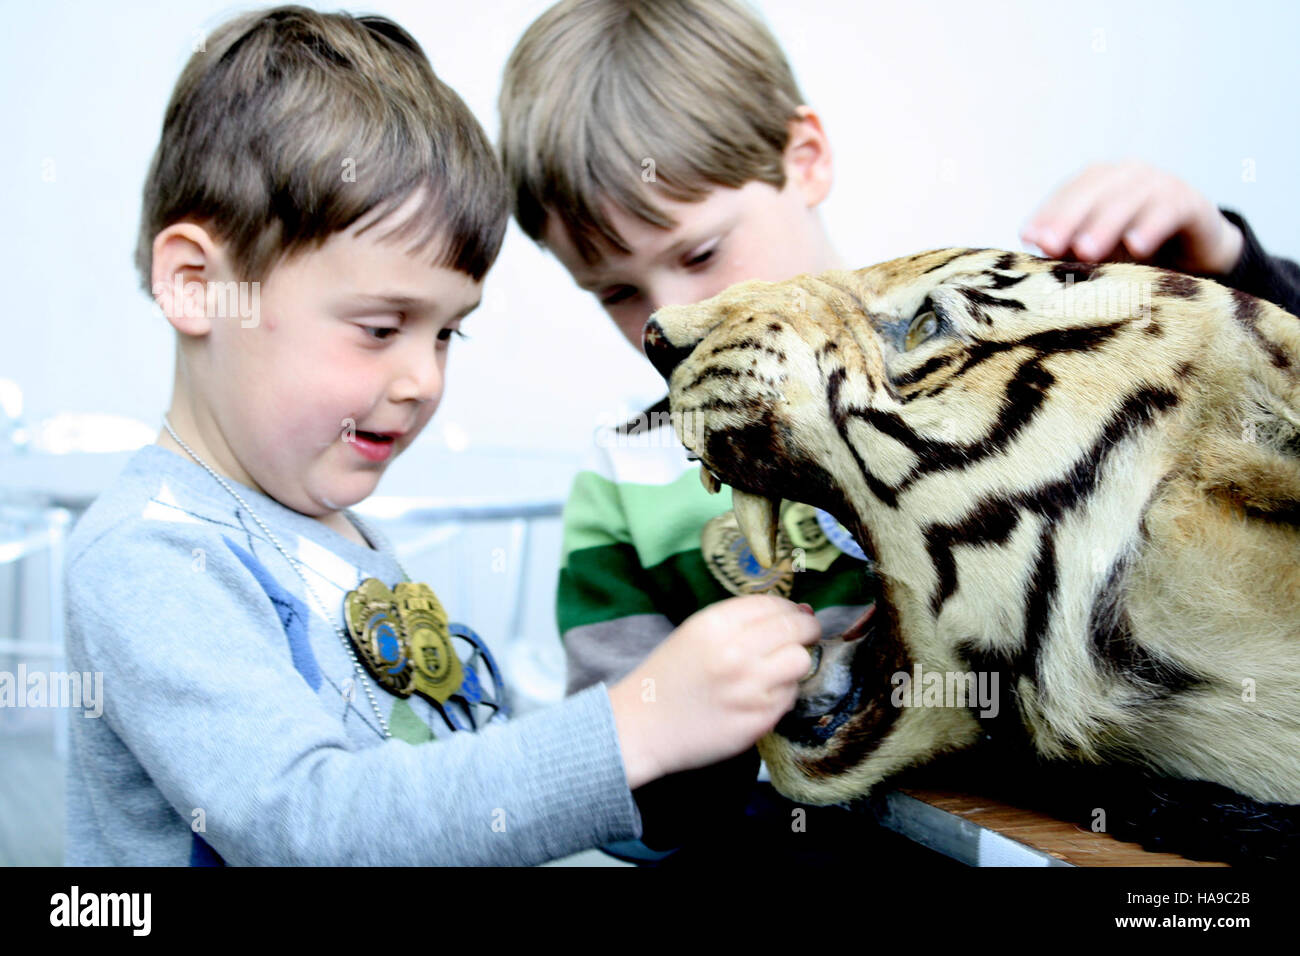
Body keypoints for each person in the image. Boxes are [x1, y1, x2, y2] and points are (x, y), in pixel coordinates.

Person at [498, 0, 1300, 864]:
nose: (673, 319)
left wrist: (1228, 264)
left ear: (804, 157)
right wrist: (683, 716)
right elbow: (626, 798)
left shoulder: (973, 337)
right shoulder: (619, 483)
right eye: (616, 293)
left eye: (699, 254)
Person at [63, 4, 823, 867]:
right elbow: (308, 828)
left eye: (446, 333)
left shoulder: (327, 532)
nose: (424, 379)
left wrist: (691, 740)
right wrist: (631, 728)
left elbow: (450, 797)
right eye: (382, 328)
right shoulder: (151, 557)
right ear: (197, 285)